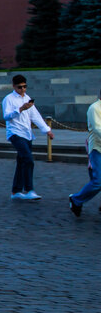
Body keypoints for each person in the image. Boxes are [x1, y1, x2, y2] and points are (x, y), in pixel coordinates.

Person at [3, 74, 54, 200]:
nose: (23, 89)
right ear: (14, 86)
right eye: (20, 87)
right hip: (15, 133)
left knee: (21, 162)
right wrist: (20, 109)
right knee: (28, 159)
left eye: (25, 86)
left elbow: (35, 115)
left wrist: (47, 130)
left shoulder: (27, 98)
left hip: (27, 134)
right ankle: (30, 189)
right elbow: (6, 116)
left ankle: (16, 192)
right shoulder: (8, 99)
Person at [69, 88, 101, 217]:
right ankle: (76, 199)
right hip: (98, 149)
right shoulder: (95, 108)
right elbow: (97, 129)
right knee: (98, 181)